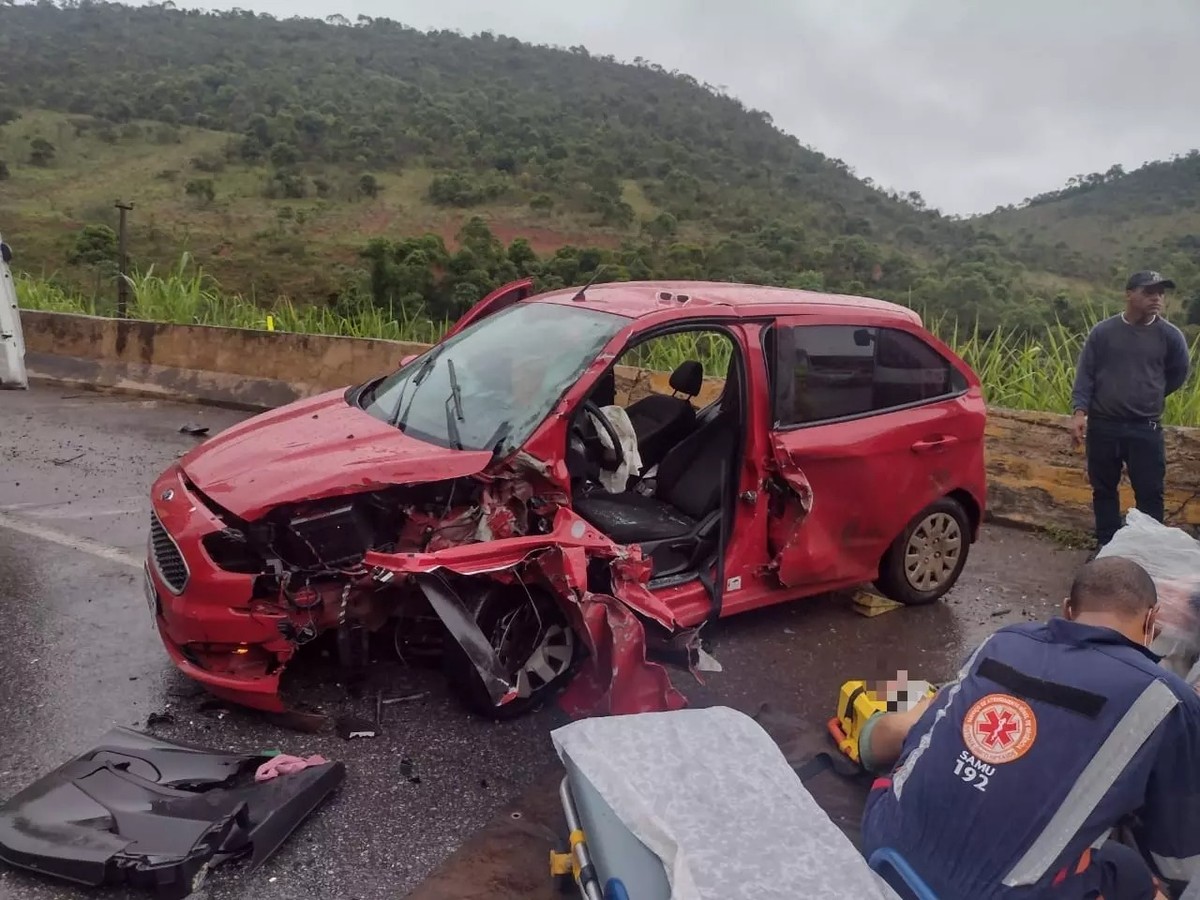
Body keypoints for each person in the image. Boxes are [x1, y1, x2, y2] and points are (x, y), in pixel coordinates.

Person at [859, 556, 1200, 900]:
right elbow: (1176, 858)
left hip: (886, 845)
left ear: (1068, 609)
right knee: (1128, 872)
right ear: (1152, 621)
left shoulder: (1001, 641)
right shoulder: (1165, 698)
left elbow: (888, 740)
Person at [1069, 270, 1192, 549]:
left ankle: (1146, 555)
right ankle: (1107, 548)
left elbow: (1177, 374)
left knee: (1150, 494)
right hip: (1104, 425)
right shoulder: (1103, 333)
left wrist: (1150, 394)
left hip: (1144, 427)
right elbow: (1085, 374)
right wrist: (1079, 413)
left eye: (1160, 293)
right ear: (1129, 294)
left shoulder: (1170, 337)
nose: (1156, 298)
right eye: (1149, 292)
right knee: (1104, 491)